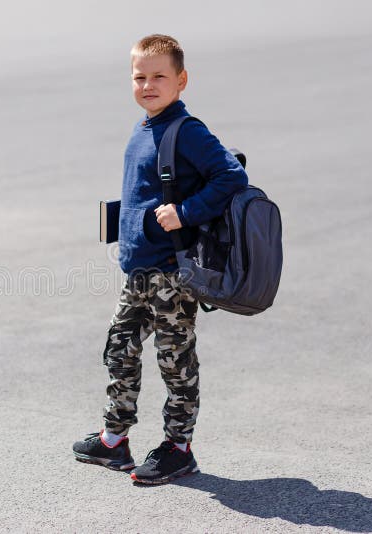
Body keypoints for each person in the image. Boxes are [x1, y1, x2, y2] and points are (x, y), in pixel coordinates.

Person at [72, 34, 248, 484]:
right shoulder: (143, 126)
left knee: (175, 359)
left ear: (181, 80)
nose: (148, 85)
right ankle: (114, 439)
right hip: (139, 268)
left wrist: (186, 212)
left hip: (171, 272)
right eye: (139, 77)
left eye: (159, 76)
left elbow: (231, 174)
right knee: (120, 348)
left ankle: (179, 447)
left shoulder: (186, 130)